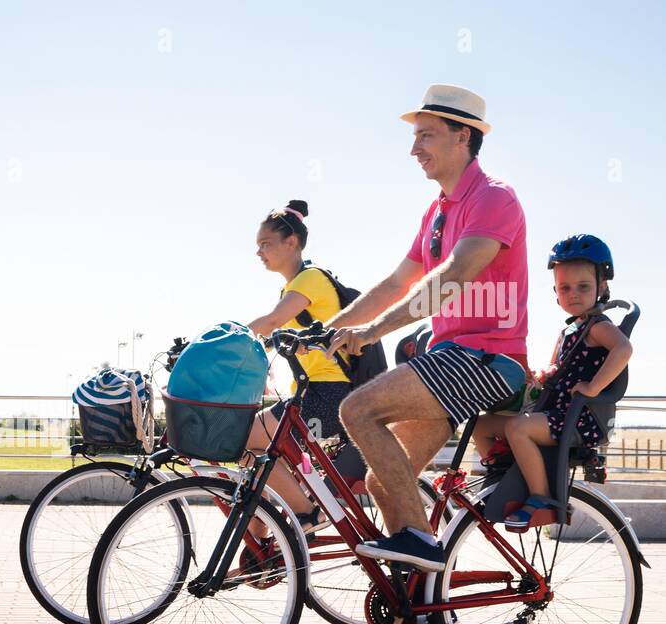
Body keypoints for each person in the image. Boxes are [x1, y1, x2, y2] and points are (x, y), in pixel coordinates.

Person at [327, 84, 529, 571]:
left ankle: (421, 544)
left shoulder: (494, 198)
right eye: (415, 137)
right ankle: (420, 602)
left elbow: (454, 276)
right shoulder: (437, 212)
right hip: (449, 362)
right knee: (381, 482)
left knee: (357, 409)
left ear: (464, 136)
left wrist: (375, 330)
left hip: (489, 361)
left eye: (426, 136)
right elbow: (398, 281)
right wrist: (327, 327)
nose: (413, 148)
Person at [490, 235, 631, 529]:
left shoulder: (597, 326)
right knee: (483, 423)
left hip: (577, 419)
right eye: (565, 288)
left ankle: (541, 496)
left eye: (583, 287)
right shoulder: (569, 331)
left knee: (517, 426)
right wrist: (542, 375)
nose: (574, 294)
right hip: (557, 413)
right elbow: (556, 369)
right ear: (556, 291)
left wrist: (592, 388)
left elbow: (624, 349)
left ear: (602, 287)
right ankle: (504, 474)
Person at [241, 200, 352, 537]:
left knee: (248, 438)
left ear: (291, 242)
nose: (259, 252)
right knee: (250, 455)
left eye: (265, 244)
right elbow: (275, 334)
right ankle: (264, 545)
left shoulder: (311, 279)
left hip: (331, 394)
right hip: (312, 392)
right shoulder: (292, 287)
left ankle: (309, 513)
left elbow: (272, 321)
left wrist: (224, 341)